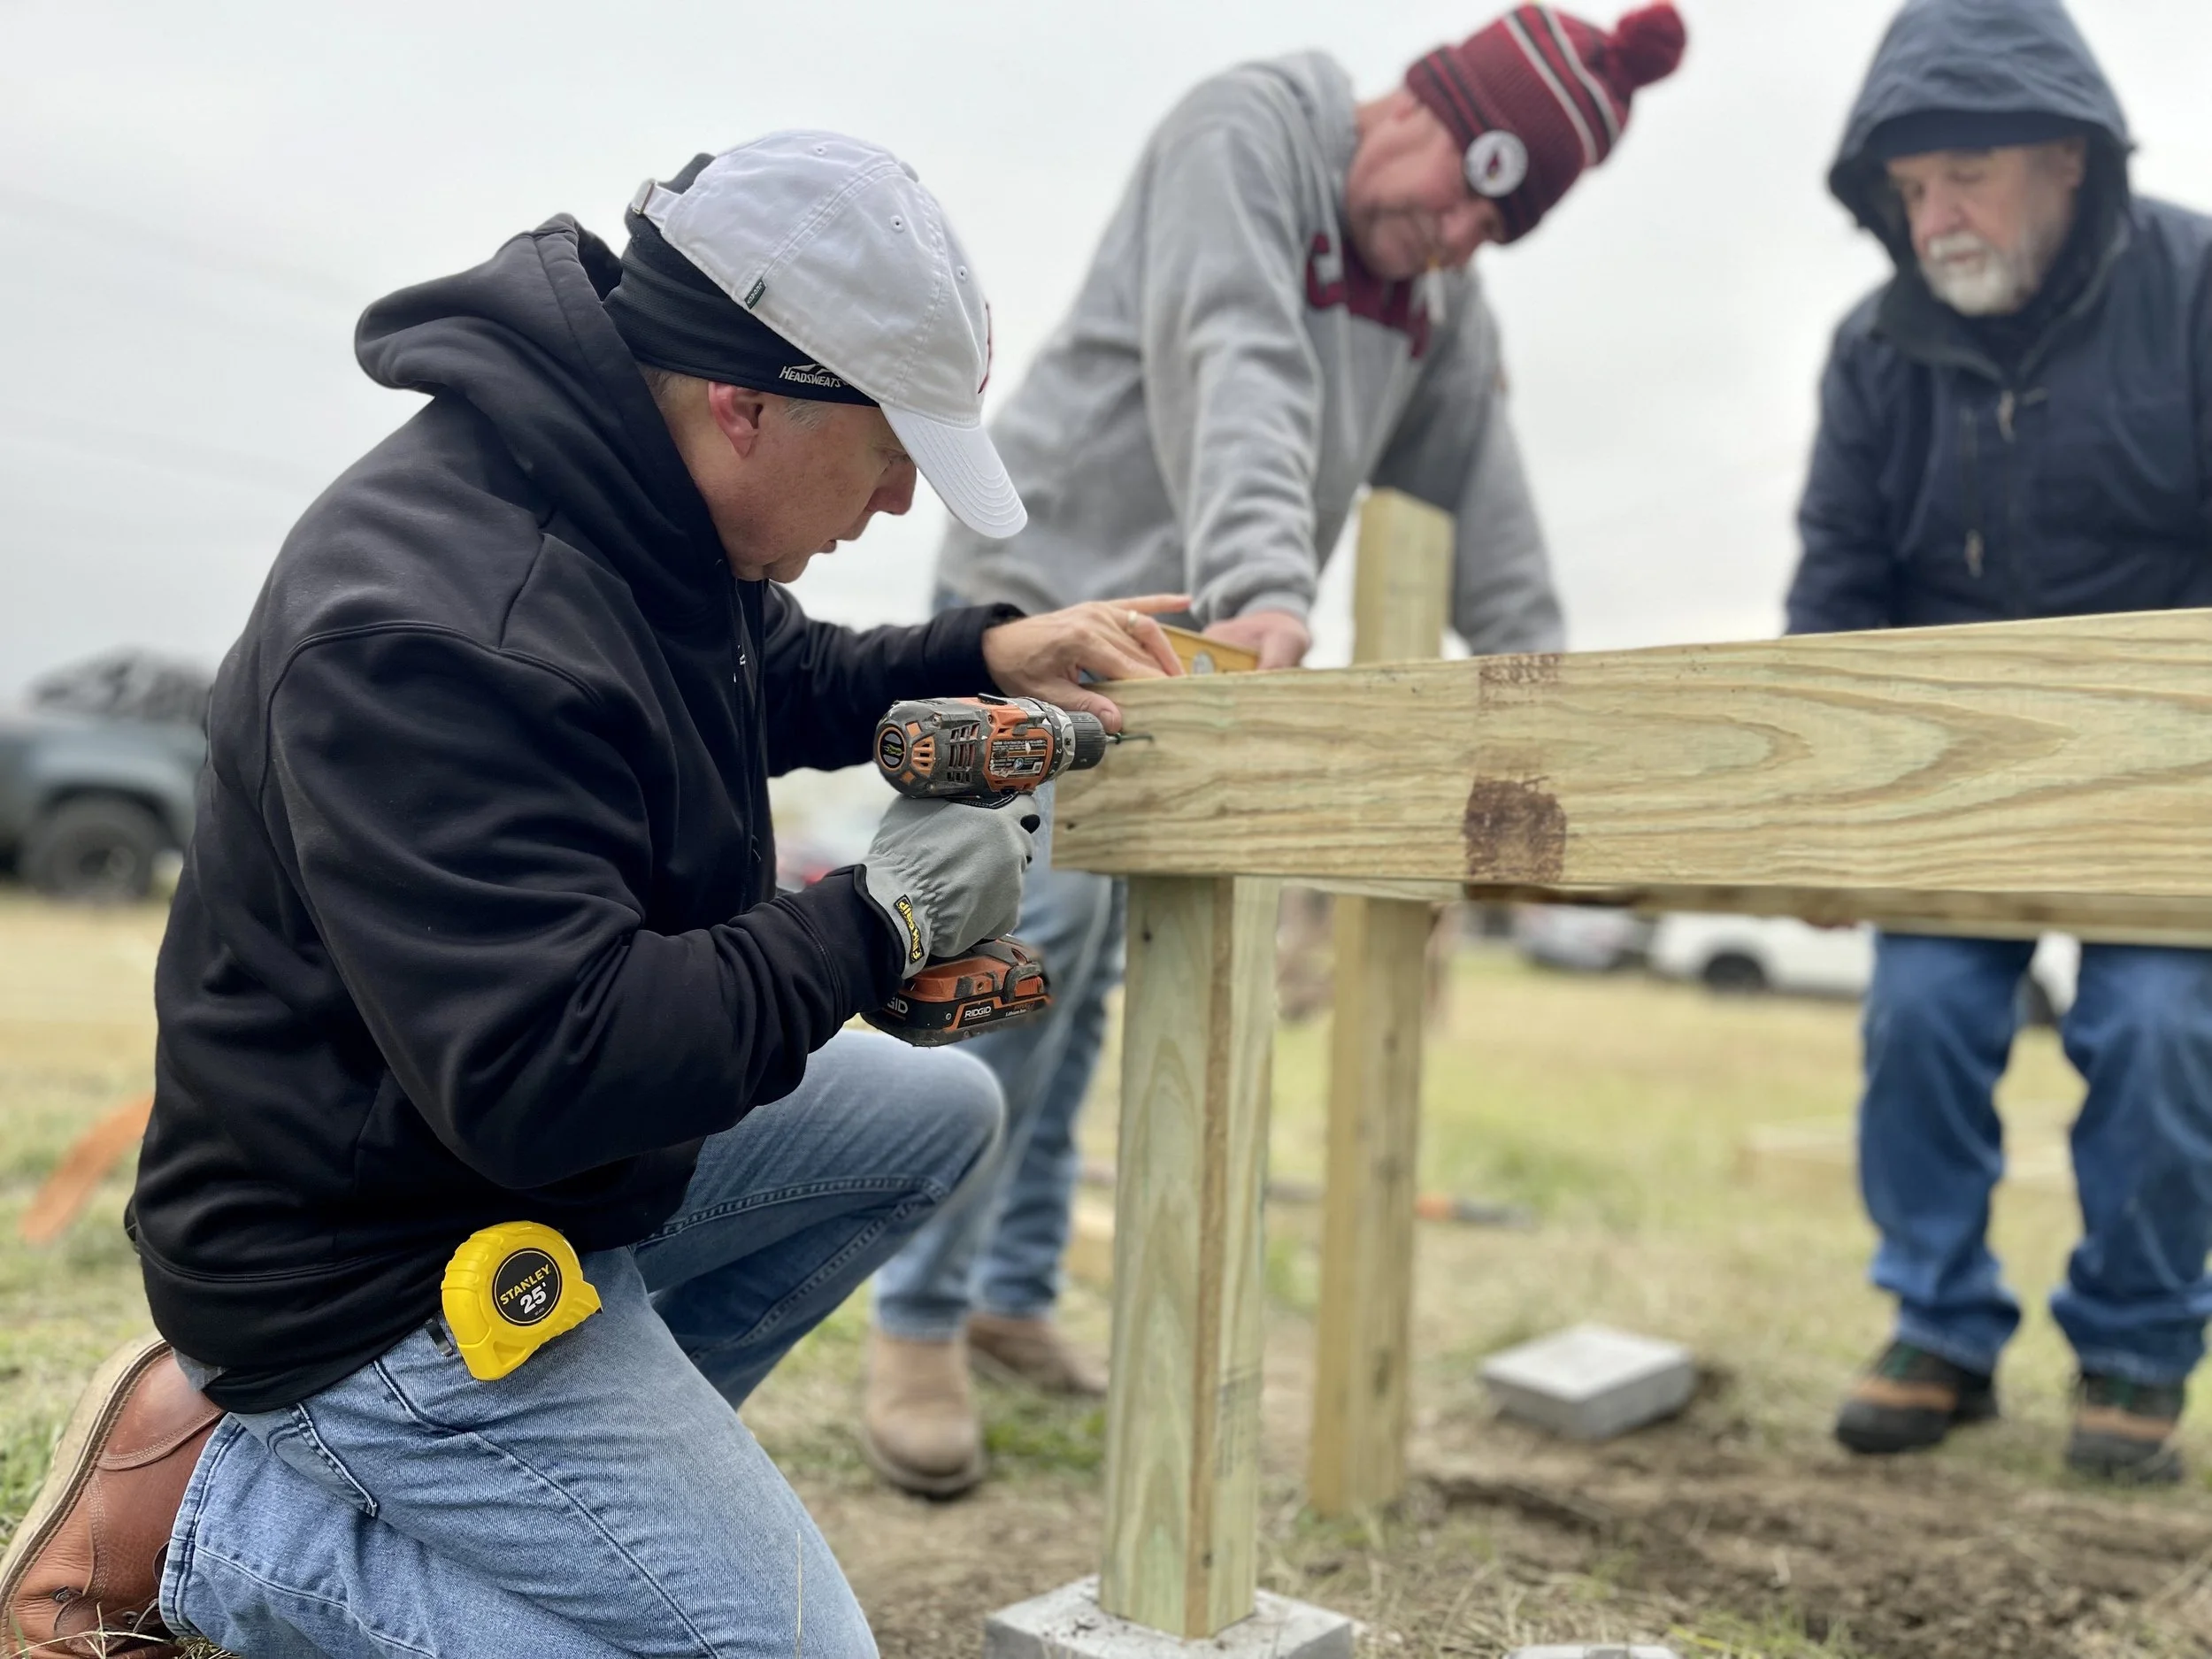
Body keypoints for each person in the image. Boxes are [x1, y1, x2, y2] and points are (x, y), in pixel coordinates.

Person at [0, 132, 1190, 1658]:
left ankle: (560, 1513)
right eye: (889, 446)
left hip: (512, 1176)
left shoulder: (644, 508)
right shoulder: (438, 625)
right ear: (747, 401)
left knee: (935, 1113)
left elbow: (771, 671)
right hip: (366, 1263)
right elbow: (547, 1069)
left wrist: (979, 652)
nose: (899, 500)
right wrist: (870, 922)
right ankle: (225, 1532)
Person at [862, 3, 1686, 1496]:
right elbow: (1232, 352)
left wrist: (1559, 713)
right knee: (1025, 949)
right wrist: (1265, 585)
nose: (1449, 238)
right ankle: (913, 1316)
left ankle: (1008, 1294)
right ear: (1421, 106)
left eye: (1490, 231)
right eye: (1452, 195)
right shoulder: (1243, 134)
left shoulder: (1439, 298)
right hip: (1056, 606)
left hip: (1205, 658)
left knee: (1102, 966)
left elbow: (1484, 507)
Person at [1793, 0, 2212, 1483]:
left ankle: (2139, 1343)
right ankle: (1942, 1328)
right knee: (1918, 1013)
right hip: (1942, 781)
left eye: (1965, 173)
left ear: (2068, 162)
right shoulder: (1870, 350)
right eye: (1910, 189)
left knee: (2162, 1030)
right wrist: (1818, 819)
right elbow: (1839, 590)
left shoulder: (2201, 288)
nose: (1935, 214)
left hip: (2171, 777)